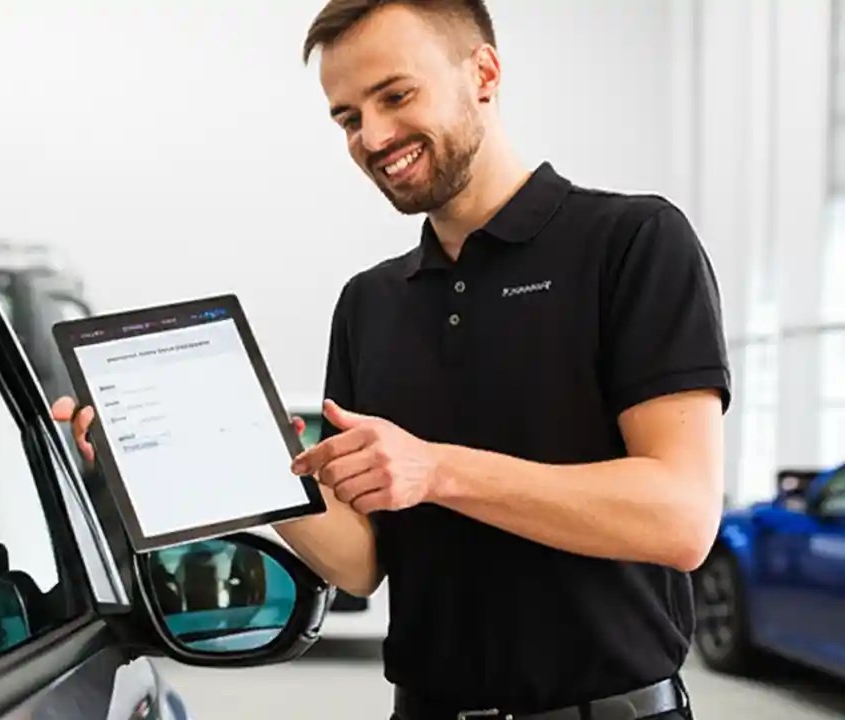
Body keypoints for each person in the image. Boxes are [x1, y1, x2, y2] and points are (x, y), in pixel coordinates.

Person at [54, 1, 727, 718]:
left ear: (484, 73)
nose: (372, 136)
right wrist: (243, 464)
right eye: (347, 117)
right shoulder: (370, 303)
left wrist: (437, 470)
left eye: (396, 95)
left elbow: (679, 518)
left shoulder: (633, 243)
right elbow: (363, 563)